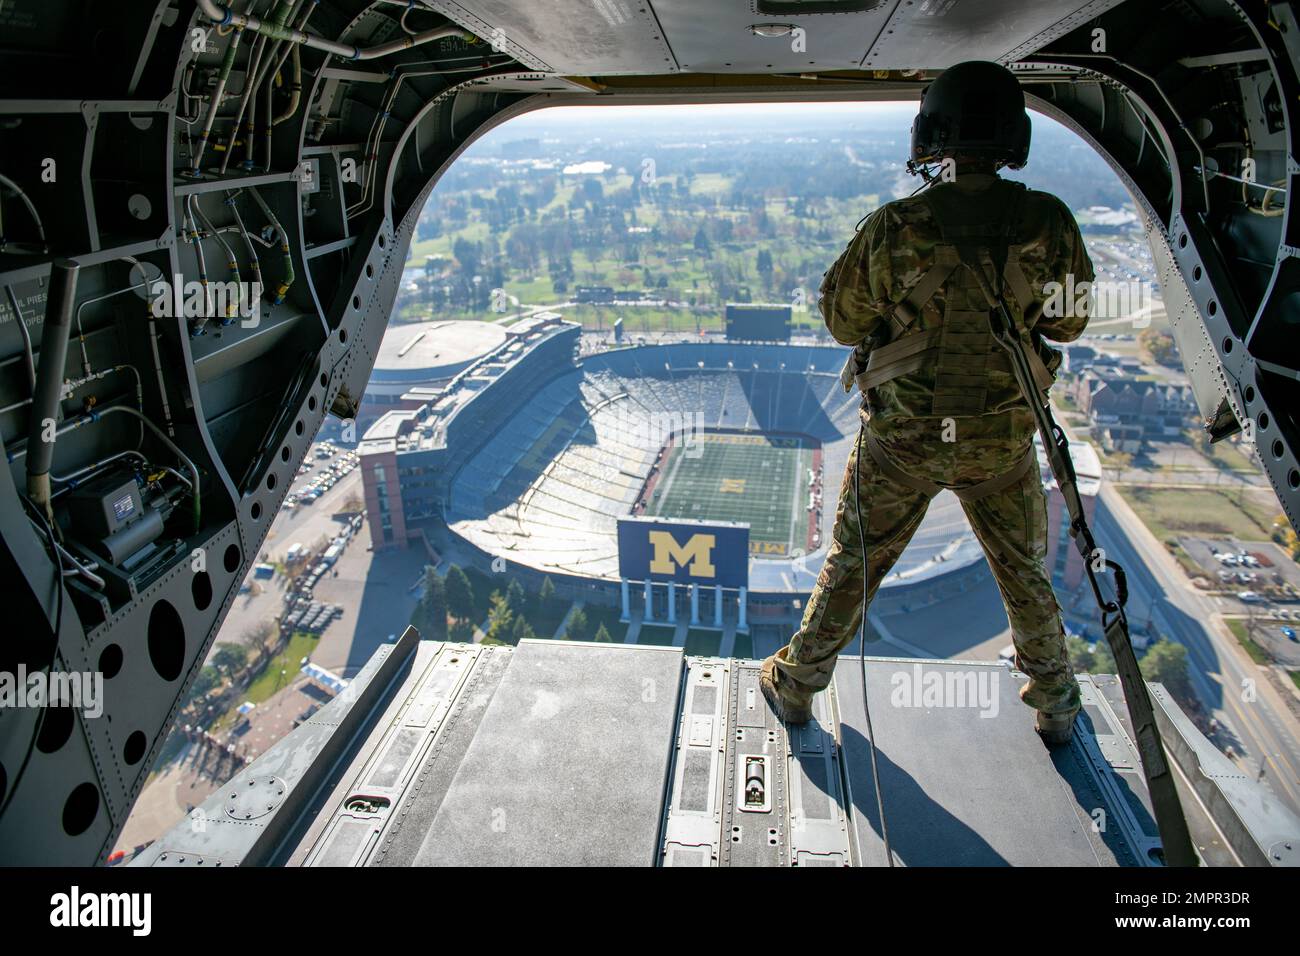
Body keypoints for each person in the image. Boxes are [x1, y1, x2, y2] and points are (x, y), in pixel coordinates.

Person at [759, 60, 1094, 745]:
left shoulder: (895, 226)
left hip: (902, 445)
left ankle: (798, 685)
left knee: (856, 561)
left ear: (932, 133)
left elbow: (845, 322)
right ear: (1013, 136)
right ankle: (1055, 702)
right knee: (1023, 569)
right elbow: (1070, 321)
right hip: (1000, 445)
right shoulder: (1048, 222)